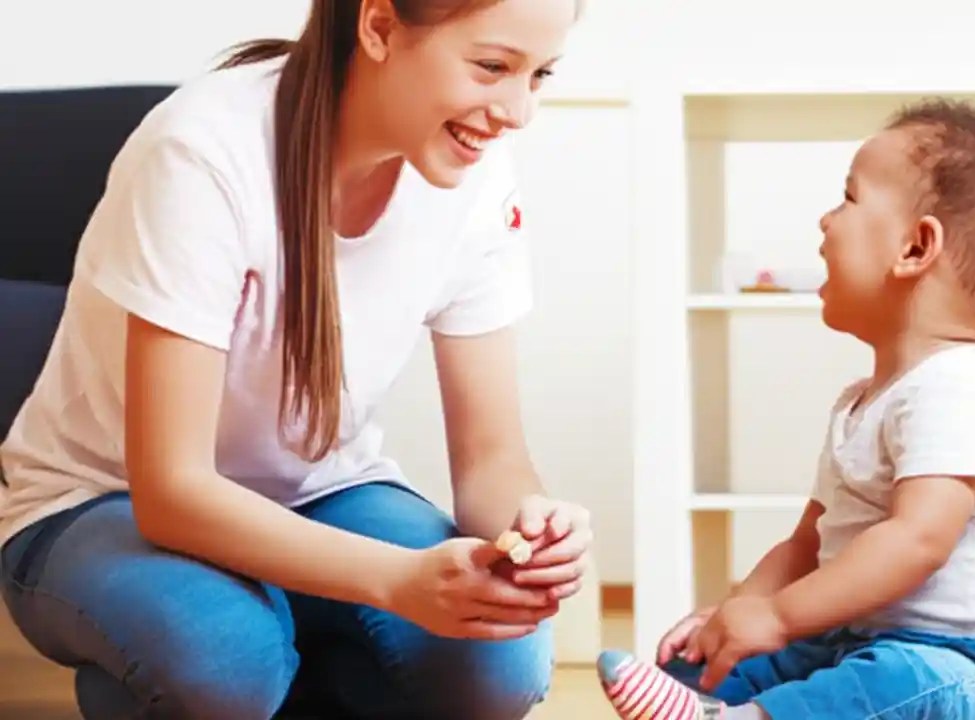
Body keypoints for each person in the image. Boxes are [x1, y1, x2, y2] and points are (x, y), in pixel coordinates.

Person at [0, 0, 591, 718]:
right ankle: (224, 666)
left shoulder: (480, 177)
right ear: (377, 26)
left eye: (539, 75)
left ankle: (223, 673)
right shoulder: (203, 151)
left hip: (320, 492)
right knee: (222, 660)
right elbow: (171, 491)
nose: (517, 111)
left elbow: (492, 458)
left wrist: (530, 531)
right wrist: (396, 581)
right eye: (493, 67)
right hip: (102, 500)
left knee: (499, 661)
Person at [594, 97, 975, 719]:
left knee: (907, 682)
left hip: (973, 675)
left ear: (914, 249)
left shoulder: (962, 389)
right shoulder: (861, 402)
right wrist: (740, 609)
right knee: (717, 664)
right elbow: (805, 543)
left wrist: (776, 615)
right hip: (854, 641)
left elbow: (918, 539)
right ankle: (703, 703)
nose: (825, 221)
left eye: (848, 199)